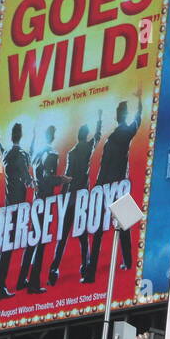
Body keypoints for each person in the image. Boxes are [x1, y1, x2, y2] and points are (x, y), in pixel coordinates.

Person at [81, 89, 143, 283]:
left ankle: (111, 268)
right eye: (117, 112)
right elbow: (137, 121)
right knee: (118, 229)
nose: (117, 115)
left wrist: (139, 100)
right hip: (111, 187)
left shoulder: (122, 133)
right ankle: (125, 264)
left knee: (112, 229)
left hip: (114, 187)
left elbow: (137, 121)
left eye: (119, 112)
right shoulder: (120, 133)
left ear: (122, 115)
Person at [49, 116, 101, 285]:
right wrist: (99, 118)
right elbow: (98, 136)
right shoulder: (87, 148)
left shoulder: (72, 152)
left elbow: (68, 176)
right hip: (81, 199)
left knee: (63, 236)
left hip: (70, 198)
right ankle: (85, 267)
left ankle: (54, 269)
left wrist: (63, 198)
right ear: (85, 135)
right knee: (83, 236)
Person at [19, 125, 68, 292]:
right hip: (44, 202)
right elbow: (48, 179)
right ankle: (33, 284)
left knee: (32, 242)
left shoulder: (37, 154)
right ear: (52, 136)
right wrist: (63, 179)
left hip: (36, 200)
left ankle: (21, 280)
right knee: (39, 243)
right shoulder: (52, 154)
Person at [0, 123, 35, 300]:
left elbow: (8, 155)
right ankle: (0, 289)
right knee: (9, 247)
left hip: (9, 205)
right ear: (21, 135)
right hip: (17, 207)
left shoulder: (8, 154)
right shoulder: (20, 155)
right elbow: (26, 177)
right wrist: (36, 183)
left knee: (5, 248)